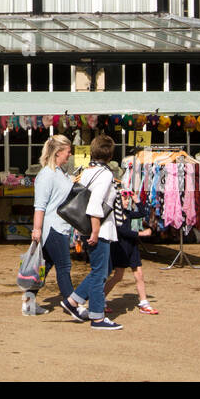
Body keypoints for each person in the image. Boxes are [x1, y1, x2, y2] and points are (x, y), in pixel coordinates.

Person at [67, 134, 122, 330]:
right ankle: (97, 317)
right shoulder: (105, 174)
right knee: (100, 273)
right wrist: (96, 230)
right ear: (110, 153)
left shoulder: (88, 171)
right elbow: (94, 203)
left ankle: (73, 301)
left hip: (87, 226)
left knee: (104, 269)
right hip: (98, 228)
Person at [30, 134, 74, 318]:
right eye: (68, 152)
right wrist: (37, 230)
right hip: (52, 227)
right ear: (58, 152)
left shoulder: (59, 172)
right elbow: (40, 205)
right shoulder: (46, 175)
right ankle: (72, 303)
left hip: (60, 226)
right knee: (64, 266)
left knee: (45, 266)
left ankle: (28, 302)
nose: (69, 156)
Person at [104, 174, 159, 316]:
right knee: (118, 276)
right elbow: (123, 231)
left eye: (128, 199)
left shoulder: (127, 213)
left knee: (139, 274)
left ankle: (144, 303)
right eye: (124, 199)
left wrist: (137, 200)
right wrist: (141, 234)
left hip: (132, 247)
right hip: (120, 248)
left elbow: (141, 212)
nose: (127, 202)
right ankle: (100, 299)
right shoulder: (115, 214)